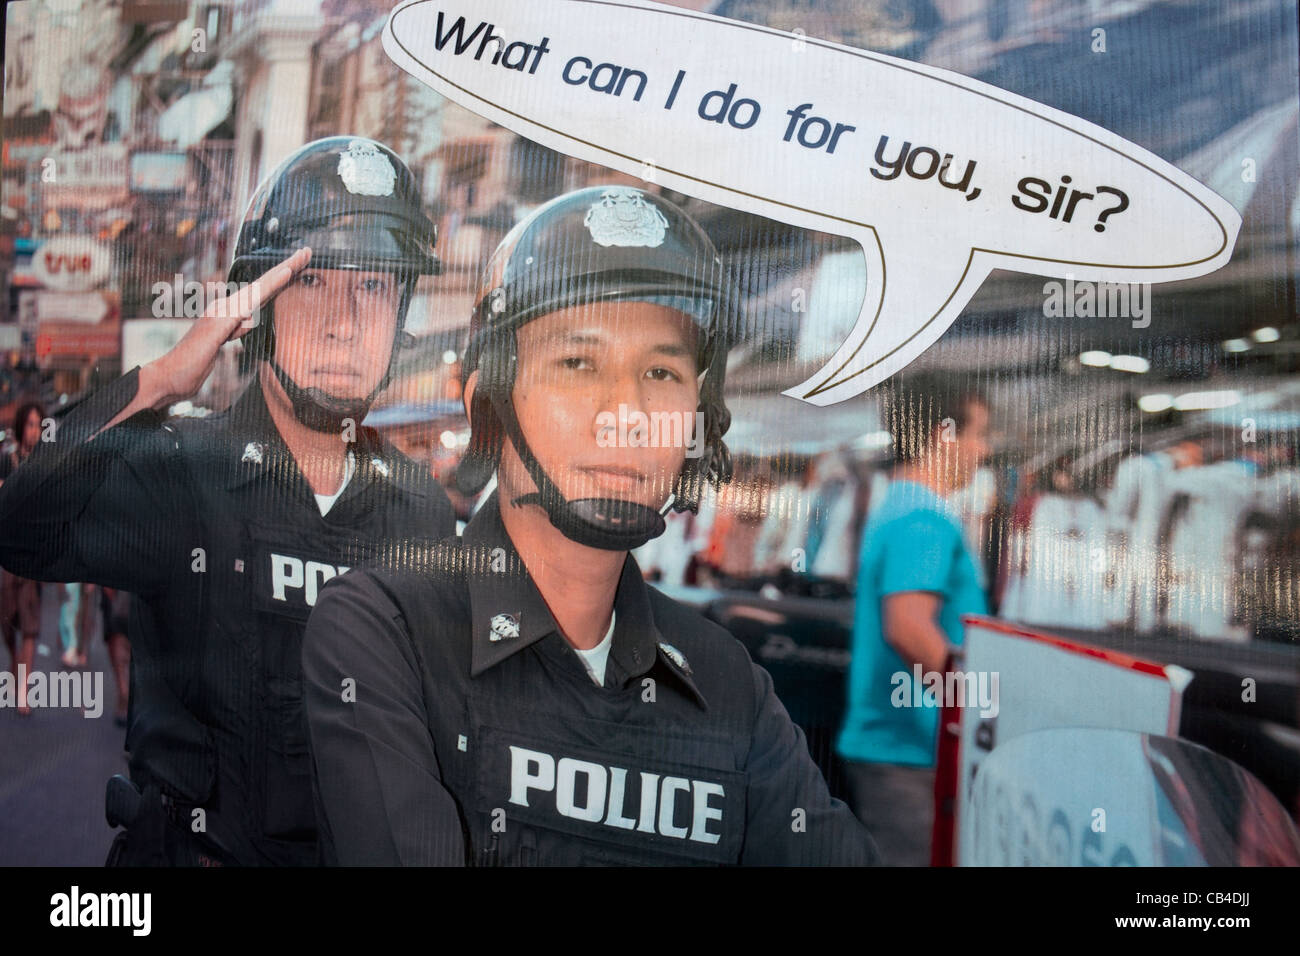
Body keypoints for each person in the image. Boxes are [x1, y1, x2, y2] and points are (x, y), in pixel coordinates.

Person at [302, 185, 879, 865]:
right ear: (487, 396)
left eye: (662, 371)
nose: (627, 414)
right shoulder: (385, 632)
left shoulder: (726, 680)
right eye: (578, 363)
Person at [0, 136, 456, 865]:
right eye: (312, 281)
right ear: (260, 305)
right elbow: (20, 529)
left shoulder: (420, 511)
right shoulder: (186, 466)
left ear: (402, 317)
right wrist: (161, 382)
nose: (345, 318)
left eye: (374, 285)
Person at [835, 371, 992, 865]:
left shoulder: (897, 506)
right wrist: (977, 711)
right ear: (944, 434)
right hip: (912, 749)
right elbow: (907, 627)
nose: (983, 450)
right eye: (979, 433)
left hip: (897, 745)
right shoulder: (924, 517)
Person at [0, 401, 47, 716]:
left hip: (32, 557)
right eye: (29, 424)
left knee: (30, 625)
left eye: (38, 425)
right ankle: (15, 667)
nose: (33, 431)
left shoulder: (44, 464)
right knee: (8, 625)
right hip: (6, 556)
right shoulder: (6, 461)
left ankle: (23, 691)